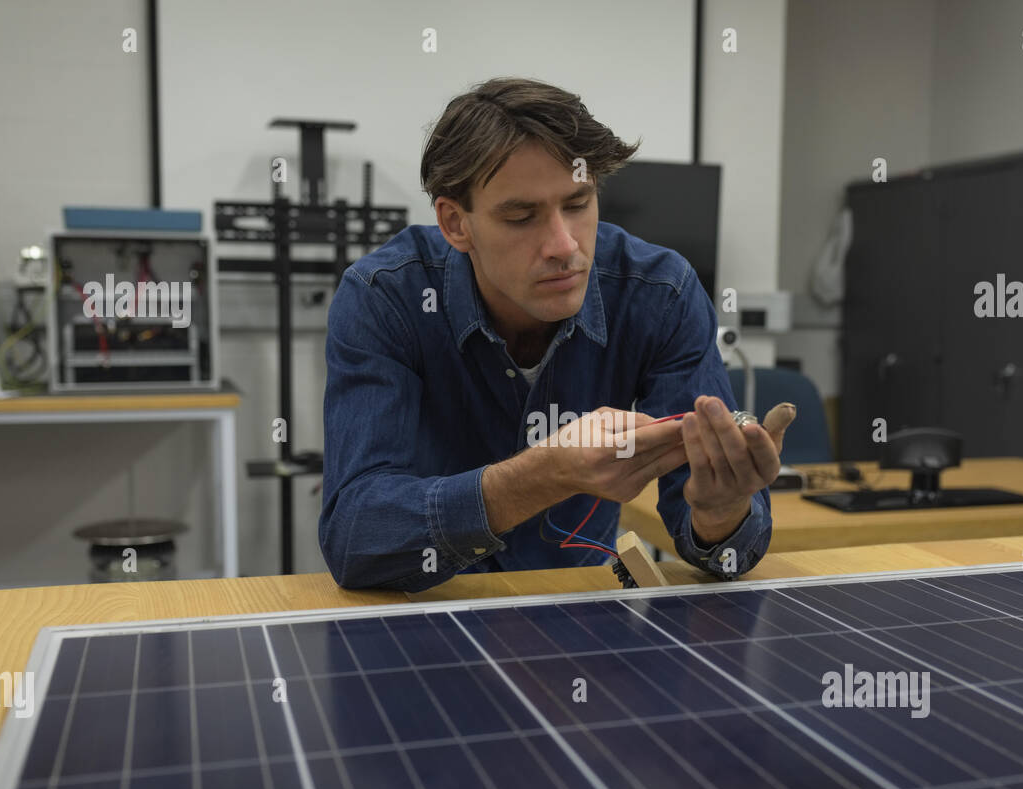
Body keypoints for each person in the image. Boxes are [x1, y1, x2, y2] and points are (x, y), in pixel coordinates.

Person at [319, 77, 794, 591]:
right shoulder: (384, 297)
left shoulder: (662, 294)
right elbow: (355, 537)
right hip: (429, 613)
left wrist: (721, 514)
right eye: (522, 216)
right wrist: (541, 477)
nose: (564, 246)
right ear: (456, 223)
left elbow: (721, 551)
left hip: (579, 620)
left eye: (577, 204)